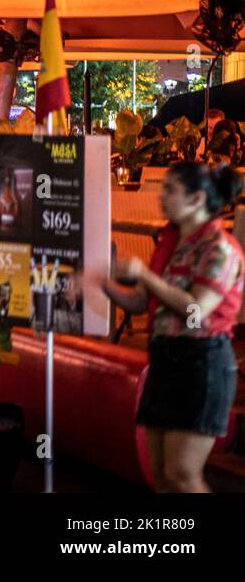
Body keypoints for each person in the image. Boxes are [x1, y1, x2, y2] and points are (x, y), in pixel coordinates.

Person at [101, 161, 244, 492]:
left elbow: (196, 311)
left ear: (196, 199)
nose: (161, 197)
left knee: (183, 475)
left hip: (202, 363)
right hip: (164, 359)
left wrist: (145, 276)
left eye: (170, 190)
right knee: (162, 476)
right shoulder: (173, 242)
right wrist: (101, 283)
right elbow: (141, 303)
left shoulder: (220, 249)